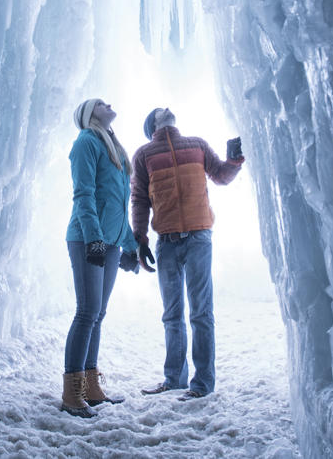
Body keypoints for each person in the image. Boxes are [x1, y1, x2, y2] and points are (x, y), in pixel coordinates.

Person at [131, 107, 245, 400]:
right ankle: (174, 379)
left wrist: (234, 160)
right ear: (152, 124)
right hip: (166, 242)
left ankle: (202, 384)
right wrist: (140, 239)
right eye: (158, 111)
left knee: (201, 312)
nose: (166, 109)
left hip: (199, 237)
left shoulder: (197, 144)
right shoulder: (144, 155)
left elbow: (220, 176)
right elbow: (140, 200)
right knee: (172, 314)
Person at [62, 98, 140, 418]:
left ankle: (91, 387)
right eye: (99, 103)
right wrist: (94, 238)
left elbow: (118, 206)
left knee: (99, 312)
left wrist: (130, 245)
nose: (108, 103)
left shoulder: (115, 149)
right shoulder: (85, 142)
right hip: (86, 238)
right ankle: (72, 393)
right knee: (87, 311)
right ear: (88, 114)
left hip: (109, 243)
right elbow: (84, 194)